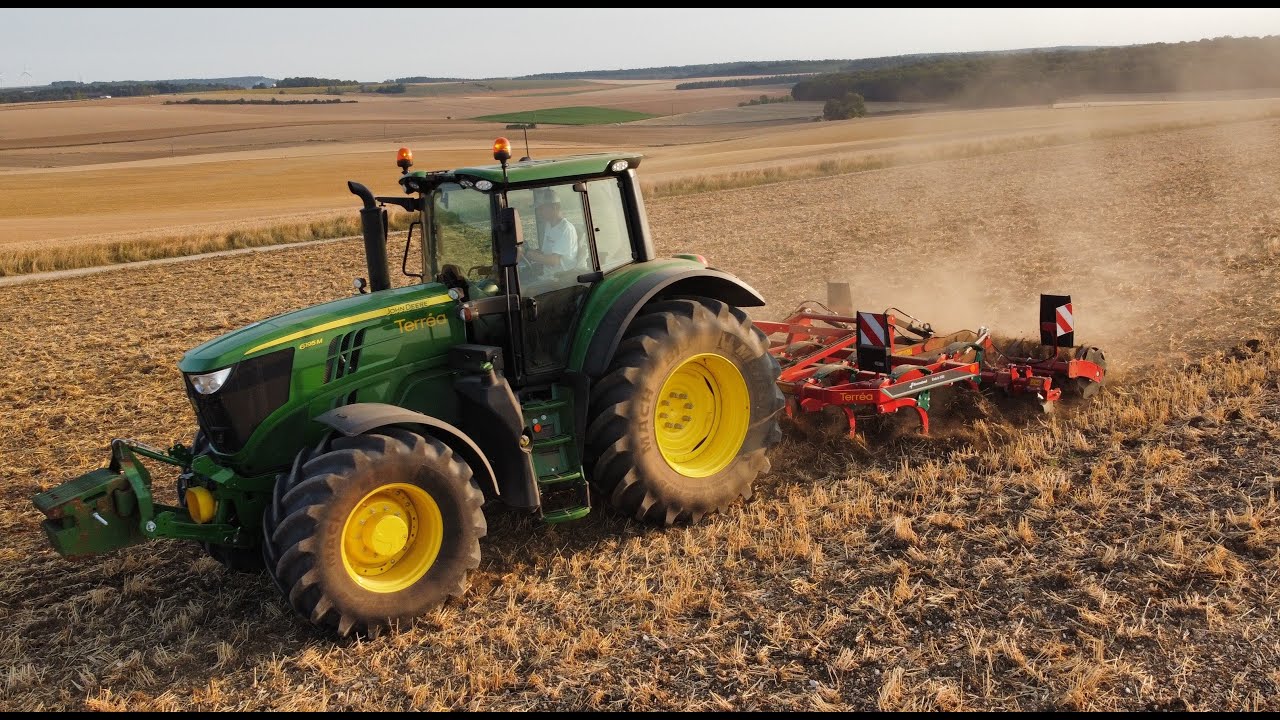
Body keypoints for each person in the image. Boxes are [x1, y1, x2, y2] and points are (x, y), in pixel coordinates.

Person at [525, 194, 579, 272]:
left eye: (541, 209)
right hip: (548, 273)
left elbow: (554, 261)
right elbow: (546, 252)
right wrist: (528, 251)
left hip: (561, 277)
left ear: (554, 208)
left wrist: (528, 254)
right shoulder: (549, 225)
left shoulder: (565, 229)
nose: (539, 213)